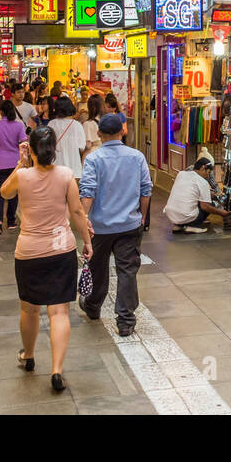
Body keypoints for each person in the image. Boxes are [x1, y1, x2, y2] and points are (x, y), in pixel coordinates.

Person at [0, 127, 93, 393]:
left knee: (29, 309)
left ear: (31, 148)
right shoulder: (65, 175)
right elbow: (76, 212)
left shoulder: (23, 175)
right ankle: (57, 370)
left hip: (28, 252)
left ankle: (28, 355)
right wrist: (87, 241)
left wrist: (21, 163)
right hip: (61, 249)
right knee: (59, 311)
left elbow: (5, 192)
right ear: (54, 148)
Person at [77, 114, 152, 336]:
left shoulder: (93, 158)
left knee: (98, 268)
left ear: (99, 133)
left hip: (100, 227)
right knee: (127, 270)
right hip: (129, 224)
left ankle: (92, 305)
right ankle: (126, 320)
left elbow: (88, 191)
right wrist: (143, 217)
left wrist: (85, 220)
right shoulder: (136, 157)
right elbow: (146, 190)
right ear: (122, 131)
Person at [0, 99, 28, 233]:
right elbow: (24, 143)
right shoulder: (19, 126)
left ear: (1, 112)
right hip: (15, 164)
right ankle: (11, 221)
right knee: (14, 192)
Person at [163, 154, 230, 233]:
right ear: (202, 168)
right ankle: (192, 226)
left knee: (188, 203)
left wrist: (210, 195)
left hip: (171, 214)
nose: (207, 176)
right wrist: (221, 213)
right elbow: (205, 206)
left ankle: (178, 226)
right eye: (207, 173)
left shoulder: (181, 174)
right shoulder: (202, 181)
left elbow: (190, 193)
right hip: (185, 215)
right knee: (211, 205)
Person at [47, 96, 87, 181]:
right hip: (74, 168)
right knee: (72, 194)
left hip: (55, 167)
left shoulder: (51, 124)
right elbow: (82, 147)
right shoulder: (77, 125)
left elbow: (48, 146)